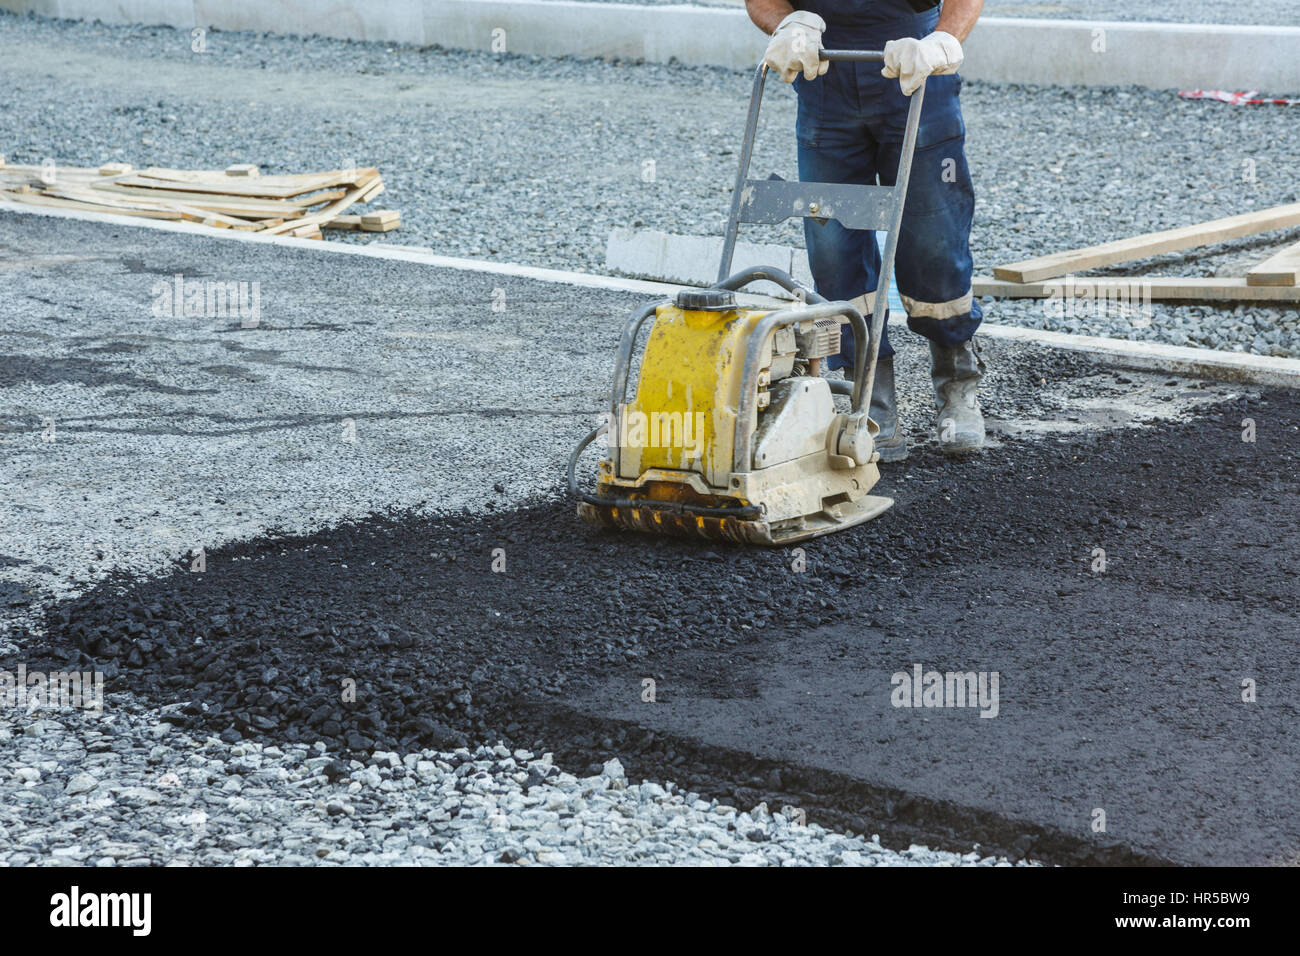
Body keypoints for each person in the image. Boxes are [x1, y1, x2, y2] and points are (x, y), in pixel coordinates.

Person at [746, 0, 987, 458]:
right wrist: (787, 24)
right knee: (834, 248)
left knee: (934, 240)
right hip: (825, 75)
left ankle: (957, 382)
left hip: (916, 64)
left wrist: (943, 40)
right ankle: (868, 396)